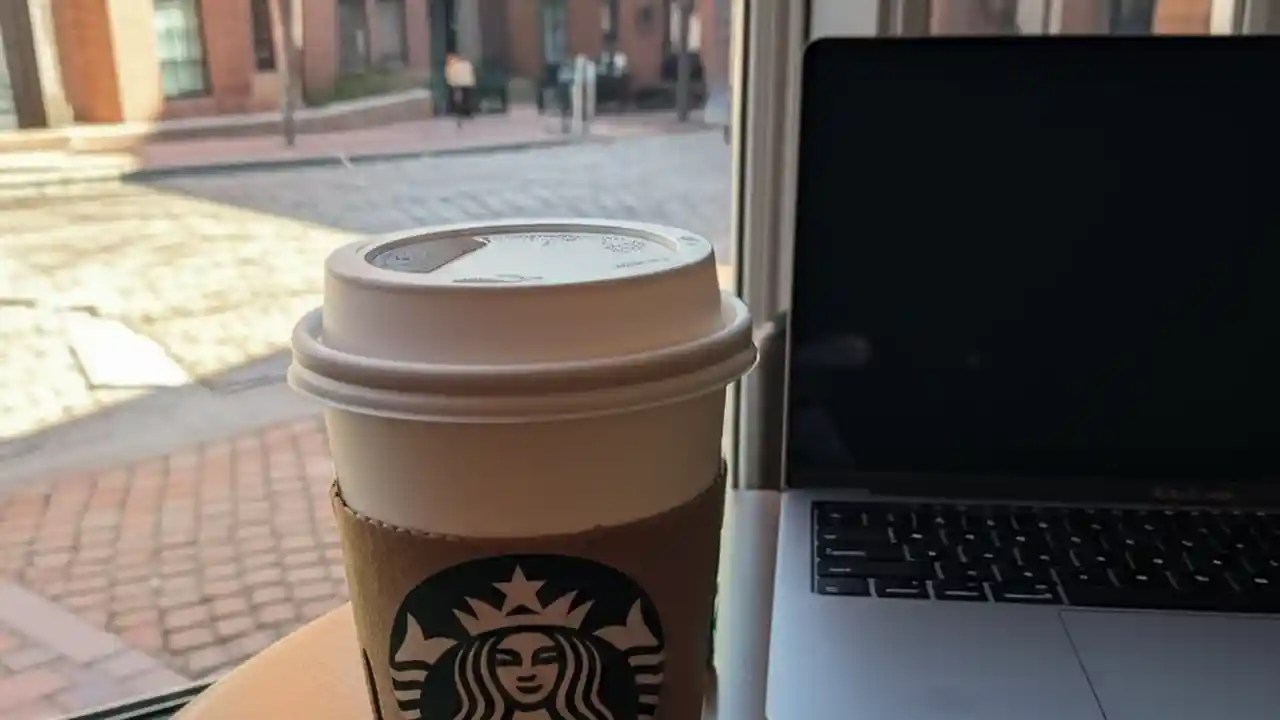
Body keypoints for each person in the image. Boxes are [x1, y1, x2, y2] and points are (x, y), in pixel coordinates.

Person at [445, 53, 477, 128]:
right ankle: (468, 112)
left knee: (458, 99)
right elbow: (471, 72)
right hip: (468, 83)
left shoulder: (451, 65)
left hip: (457, 84)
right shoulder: (467, 64)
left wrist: (451, 83)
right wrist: (472, 82)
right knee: (467, 98)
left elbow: (450, 75)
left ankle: (458, 112)